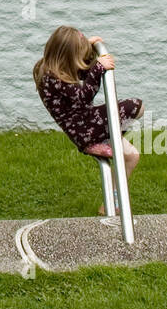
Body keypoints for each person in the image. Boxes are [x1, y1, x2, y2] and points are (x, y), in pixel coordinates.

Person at [33, 26, 143, 216]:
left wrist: (87, 48)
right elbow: (84, 97)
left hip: (87, 124)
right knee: (135, 106)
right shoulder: (52, 77)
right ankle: (95, 142)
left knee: (131, 156)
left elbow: (81, 70)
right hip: (85, 129)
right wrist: (99, 67)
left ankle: (111, 205)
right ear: (67, 55)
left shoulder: (52, 66)